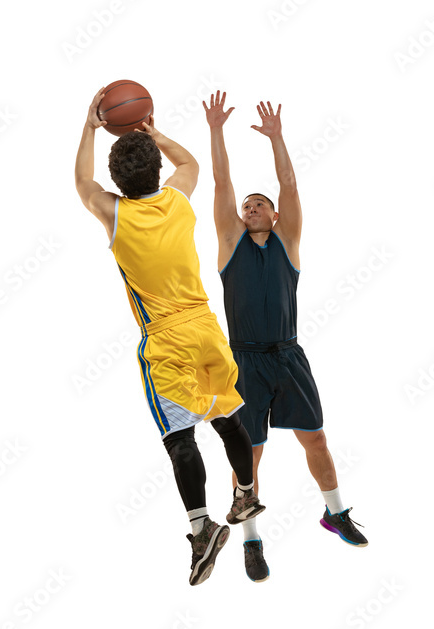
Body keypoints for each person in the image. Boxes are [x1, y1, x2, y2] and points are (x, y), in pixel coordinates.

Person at [74, 88, 265, 585]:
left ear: (117, 182)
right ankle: (246, 492)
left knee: (179, 436)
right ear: (159, 171)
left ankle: (203, 530)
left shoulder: (114, 215)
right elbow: (191, 163)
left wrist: (91, 126)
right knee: (226, 416)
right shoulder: (179, 201)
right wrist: (154, 132)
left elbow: (82, 181)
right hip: (207, 328)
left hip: (166, 340)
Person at [203, 91, 368, 583]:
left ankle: (334, 512)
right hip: (244, 362)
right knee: (248, 454)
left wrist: (277, 138)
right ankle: (251, 541)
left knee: (315, 438)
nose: (251, 207)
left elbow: (290, 184)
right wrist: (216, 130)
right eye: (248, 205)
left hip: (288, 356)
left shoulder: (287, 243)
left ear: (275, 217)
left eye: (260, 205)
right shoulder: (230, 244)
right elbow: (221, 182)